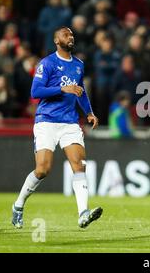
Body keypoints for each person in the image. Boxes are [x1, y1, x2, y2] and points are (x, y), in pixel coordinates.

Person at [11, 27, 103, 229]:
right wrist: (62, 88)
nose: (70, 37)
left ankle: (83, 213)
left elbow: (81, 91)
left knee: (79, 165)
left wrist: (88, 112)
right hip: (47, 121)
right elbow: (36, 91)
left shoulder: (78, 65)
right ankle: (18, 206)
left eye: (71, 35)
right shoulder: (47, 63)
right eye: (65, 35)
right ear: (56, 40)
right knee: (43, 169)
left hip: (70, 122)